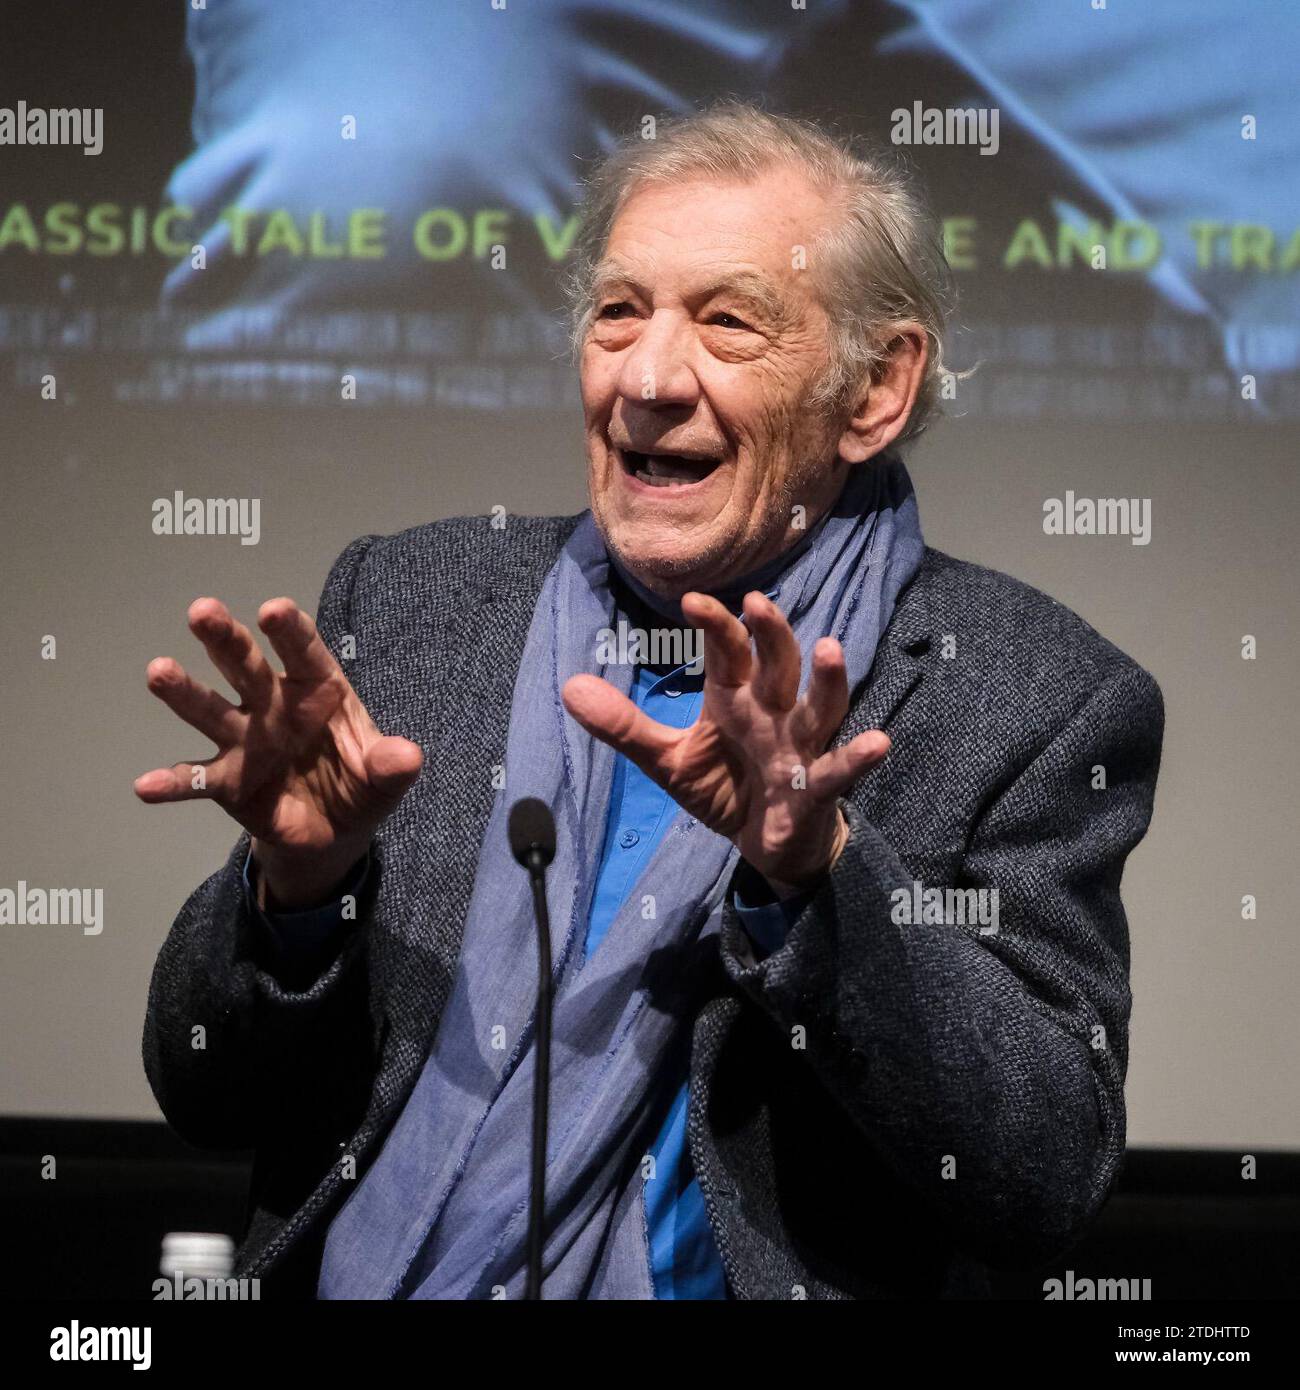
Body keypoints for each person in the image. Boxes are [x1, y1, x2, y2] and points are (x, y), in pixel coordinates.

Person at [138, 104, 1164, 1300]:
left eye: (728, 323)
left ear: (875, 390)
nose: (646, 377)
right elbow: (207, 1094)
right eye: (618, 312)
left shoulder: (1031, 696)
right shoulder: (416, 602)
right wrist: (293, 898)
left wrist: (818, 880)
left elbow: (1045, 1171)